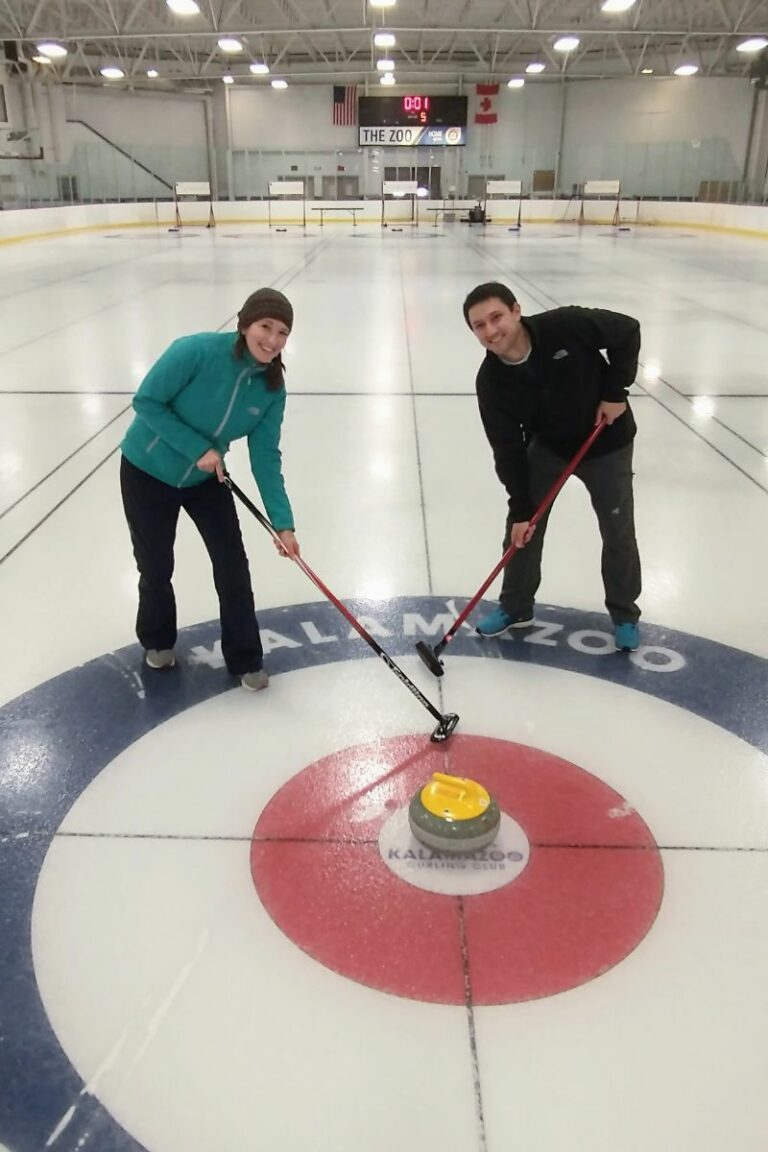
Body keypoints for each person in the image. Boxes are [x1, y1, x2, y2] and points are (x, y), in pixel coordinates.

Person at [120, 287, 300, 690]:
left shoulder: (272, 389)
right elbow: (147, 401)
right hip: (147, 471)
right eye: (265, 326)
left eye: (282, 333)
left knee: (232, 565)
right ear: (244, 324)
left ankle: (245, 657)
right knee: (156, 565)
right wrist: (197, 448)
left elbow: (266, 458)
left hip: (205, 479)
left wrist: (282, 524)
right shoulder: (196, 351)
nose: (272, 340)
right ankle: (157, 639)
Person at [463, 281, 642, 652]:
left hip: (605, 441)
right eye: (479, 325)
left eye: (496, 317)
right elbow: (507, 449)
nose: (491, 331)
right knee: (523, 530)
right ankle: (515, 607)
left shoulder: (565, 325)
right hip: (549, 448)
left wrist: (615, 393)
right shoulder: (491, 382)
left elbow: (627, 330)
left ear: (516, 311)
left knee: (617, 530)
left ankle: (624, 613)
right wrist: (521, 508)